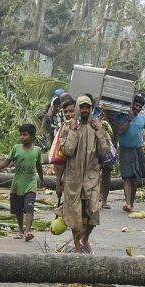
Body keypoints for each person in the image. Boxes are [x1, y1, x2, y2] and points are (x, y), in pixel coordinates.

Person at [58, 96, 111, 254]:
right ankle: (77, 245)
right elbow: (68, 150)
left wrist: (100, 131)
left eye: (88, 107)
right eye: (82, 107)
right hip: (73, 178)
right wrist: (74, 131)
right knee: (75, 213)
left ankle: (85, 238)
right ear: (77, 109)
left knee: (93, 210)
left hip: (92, 177)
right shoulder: (68, 126)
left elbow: (105, 151)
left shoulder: (97, 126)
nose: (85, 110)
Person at [0, 124, 44, 241]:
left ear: (32, 137)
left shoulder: (37, 151)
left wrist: (41, 179)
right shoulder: (16, 148)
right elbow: (5, 163)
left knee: (29, 207)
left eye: (25, 135)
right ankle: (20, 230)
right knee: (18, 209)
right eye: (20, 135)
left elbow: (38, 166)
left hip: (31, 183)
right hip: (17, 183)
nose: (22, 137)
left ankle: (27, 232)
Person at [110, 95, 145, 212]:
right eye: (136, 105)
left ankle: (131, 204)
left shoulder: (143, 119)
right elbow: (120, 131)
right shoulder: (123, 117)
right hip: (125, 150)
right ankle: (128, 203)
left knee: (135, 179)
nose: (137, 108)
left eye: (140, 106)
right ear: (131, 104)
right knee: (126, 177)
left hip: (138, 150)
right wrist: (129, 119)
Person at [84, 93, 115, 209]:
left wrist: (106, 115)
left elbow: (111, 129)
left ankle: (104, 199)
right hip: (91, 149)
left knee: (106, 172)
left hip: (104, 145)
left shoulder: (102, 112)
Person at [54, 98, 76, 204]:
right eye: (66, 112)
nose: (68, 114)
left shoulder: (89, 127)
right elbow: (60, 156)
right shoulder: (64, 128)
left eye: (71, 111)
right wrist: (58, 182)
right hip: (70, 174)